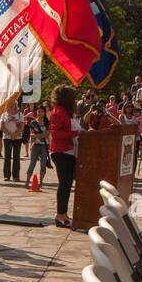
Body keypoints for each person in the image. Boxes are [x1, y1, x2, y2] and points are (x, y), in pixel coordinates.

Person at [49, 85, 79, 227]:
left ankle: (64, 213)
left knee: (67, 184)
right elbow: (56, 134)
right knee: (64, 184)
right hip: (61, 152)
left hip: (68, 151)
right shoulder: (58, 112)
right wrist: (76, 133)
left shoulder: (65, 112)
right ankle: (60, 214)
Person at [25, 106, 50, 187]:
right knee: (32, 163)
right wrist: (31, 145)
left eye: (41, 112)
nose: (40, 113)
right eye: (38, 112)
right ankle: (27, 180)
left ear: (44, 112)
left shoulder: (47, 122)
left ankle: (41, 182)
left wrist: (37, 135)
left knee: (43, 164)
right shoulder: (33, 123)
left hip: (44, 146)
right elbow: (31, 135)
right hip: (35, 145)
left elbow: (47, 134)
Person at [1, 100, 25, 182]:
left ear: (16, 105)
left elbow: (22, 126)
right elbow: (2, 127)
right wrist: (10, 134)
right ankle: (6, 175)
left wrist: (15, 134)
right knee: (7, 157)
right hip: (7, 138)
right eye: (10, 104)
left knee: (16, 157)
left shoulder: (19, 114)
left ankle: (16, 176)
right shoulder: (4, 114)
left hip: (17, 138)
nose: (12, 106)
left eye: (13, 104)